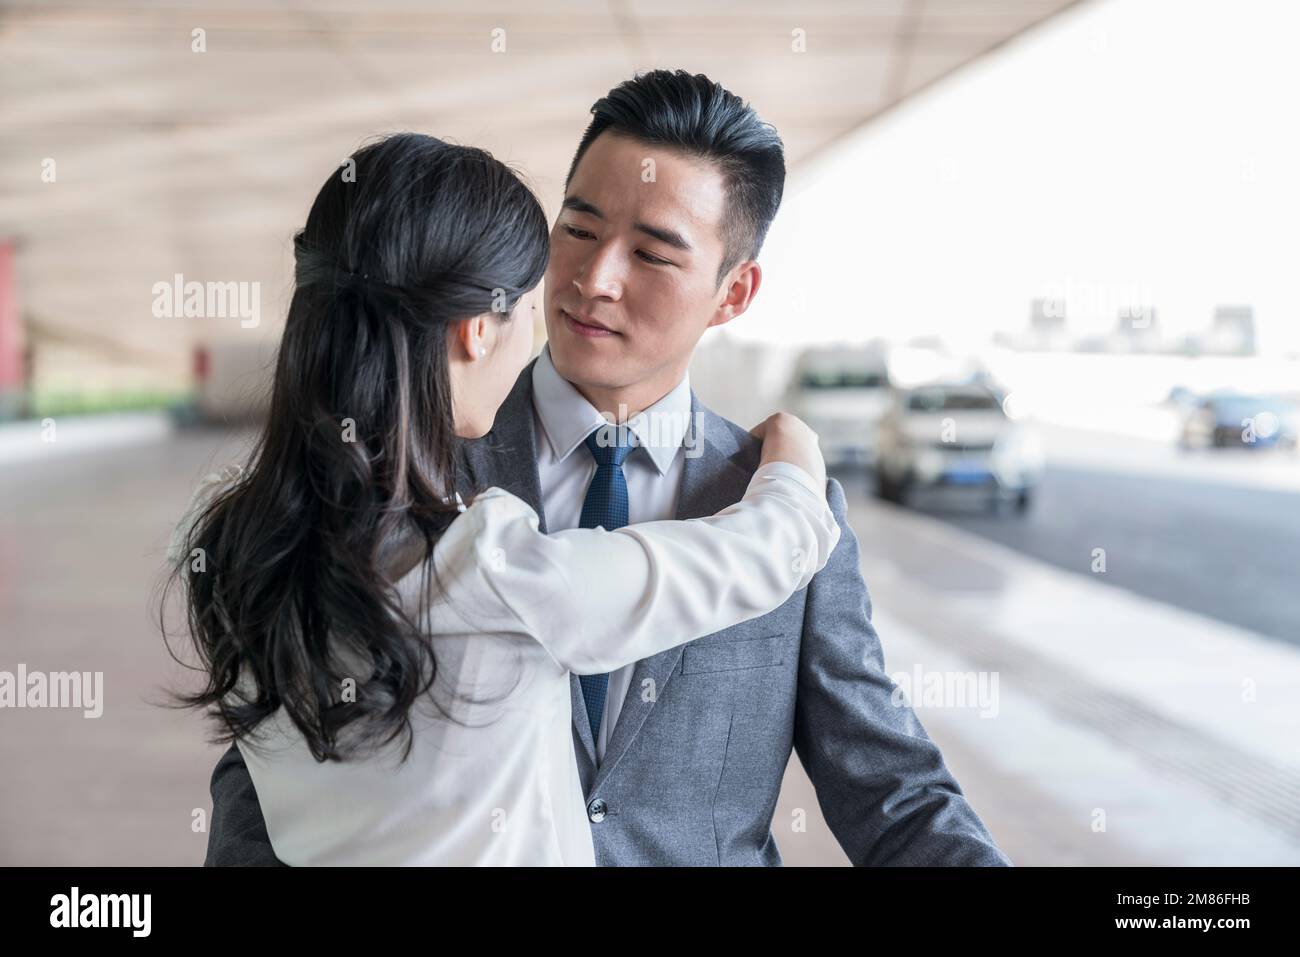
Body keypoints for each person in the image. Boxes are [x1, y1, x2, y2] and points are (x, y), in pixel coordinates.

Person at [202, 70, 1013, 867]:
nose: (594, 280)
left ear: (733, 293)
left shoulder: (769, 491)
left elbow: (891, 790)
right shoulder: (407, 467)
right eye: (578, 230)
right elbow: (275, 760)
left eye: (653, 253)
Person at [166, 130, 839, 865]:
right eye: (528, 306)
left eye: (651, 252)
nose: (580, 293)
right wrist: (798, 458)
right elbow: (769, 546)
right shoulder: (489, 567)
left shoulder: (226, 534)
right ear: (477, 330)